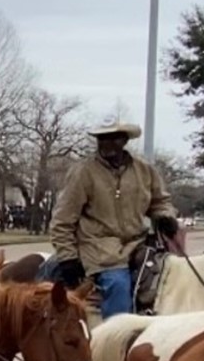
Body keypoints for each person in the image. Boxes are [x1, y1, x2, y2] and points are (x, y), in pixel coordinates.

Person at [51, 122, 177, 320]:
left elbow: (160, 201)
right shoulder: (83, 172)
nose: (107, 143)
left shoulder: (144, 170)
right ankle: (116, 338)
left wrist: (165, 216)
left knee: (171, 275)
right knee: (117, 284)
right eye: (102, 138)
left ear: (124, 140)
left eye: (113, 138)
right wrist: (68, 257)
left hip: (138, 243)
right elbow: (62, 219)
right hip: (99, 246)